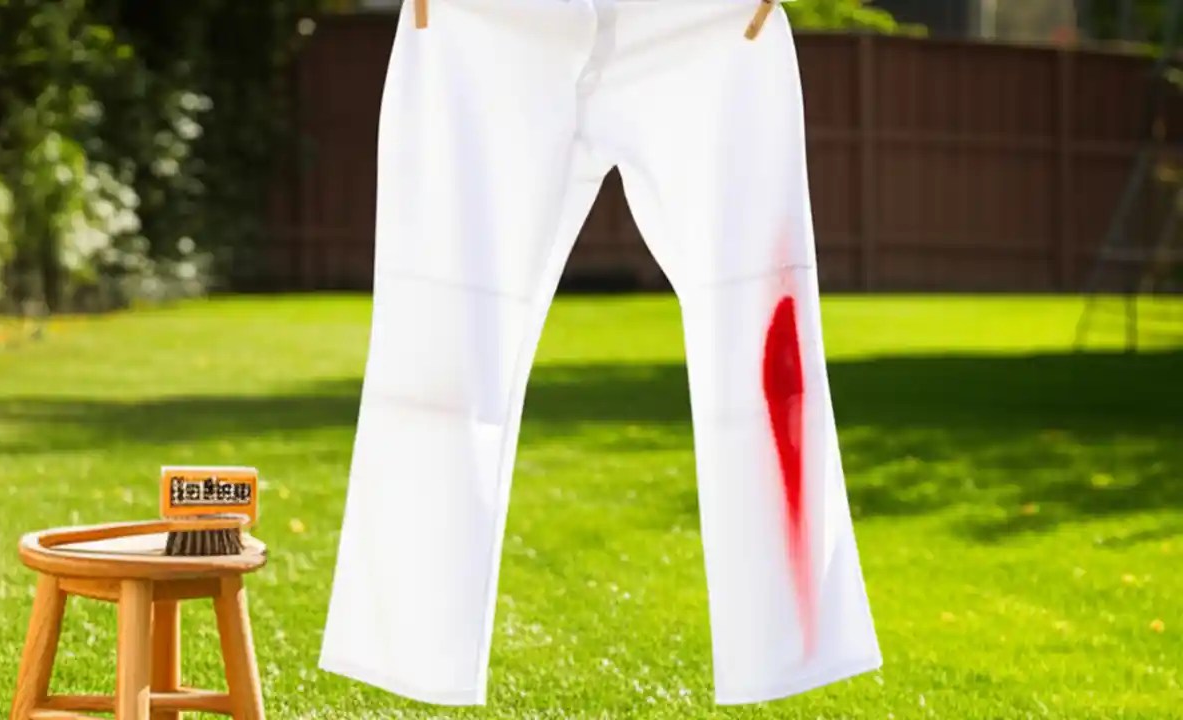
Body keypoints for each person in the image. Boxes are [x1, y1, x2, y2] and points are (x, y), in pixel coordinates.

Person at [320, 0, 882, 706]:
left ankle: (793, 639)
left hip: (706, 26)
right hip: (490, 26)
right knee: (441, 329)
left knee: (761, 331)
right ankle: (407, 641)